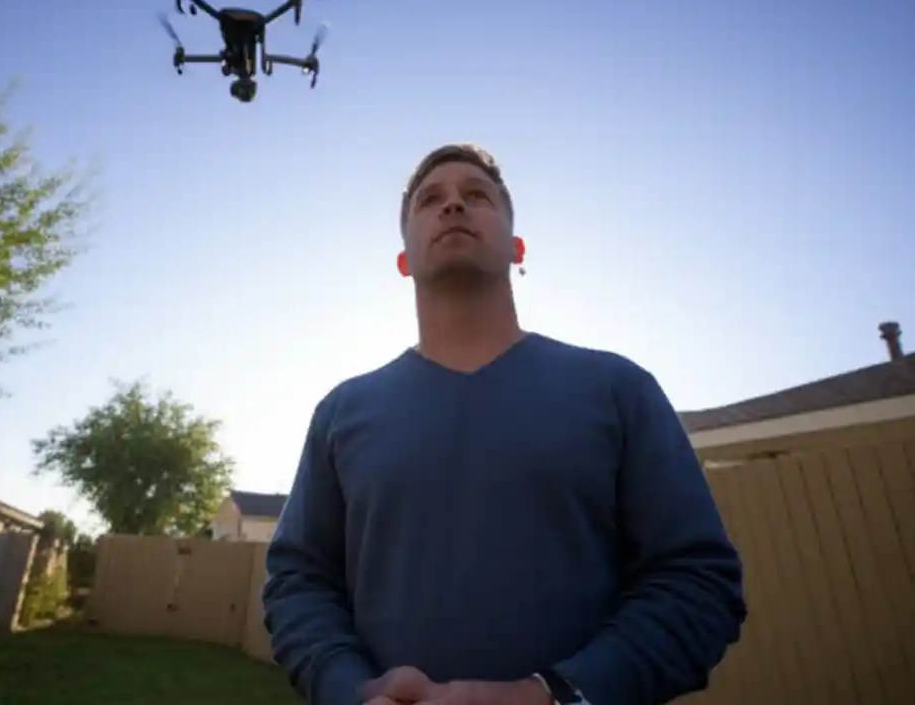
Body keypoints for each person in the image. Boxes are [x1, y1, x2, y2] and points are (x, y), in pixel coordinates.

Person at [261, 143, 747, 705]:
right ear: (403, 260)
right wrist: (351, 689)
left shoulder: (617, 389)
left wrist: (555, 694)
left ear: (517, 248)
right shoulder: (342, 413)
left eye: (477, 195)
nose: (453, 205)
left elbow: (696, 581)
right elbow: (299, 583)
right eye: (430, 200)